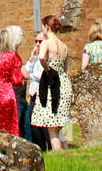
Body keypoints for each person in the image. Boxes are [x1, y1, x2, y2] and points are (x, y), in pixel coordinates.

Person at [31, 14, 72, 151]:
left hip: (51, 84)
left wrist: (47, 69)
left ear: (47, 27)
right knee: (58, 126)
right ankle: (67, 155)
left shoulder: (46, 43)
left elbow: (41, 57)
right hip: (63, 83)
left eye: (43, 26)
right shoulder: (64, 46)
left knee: (52, 128)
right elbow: (66, 69)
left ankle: (60, 158)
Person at [21, 29, 50, 149]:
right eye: (36, 41)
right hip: (34, 94)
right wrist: (31, 59)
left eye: (40, 42)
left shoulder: (47, 57)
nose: (37, 44)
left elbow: (40, 75)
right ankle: (41, 148)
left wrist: (30, 75)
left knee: (46, 125)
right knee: (34, 124)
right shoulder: (36, 58)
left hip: (44, 93)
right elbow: (25, 72)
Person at [5, 25, 29, 136]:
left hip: (20, 97)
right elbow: (24, 74)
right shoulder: (12, 55)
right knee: (17, 131)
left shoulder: (10, 54)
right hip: (16, 97)